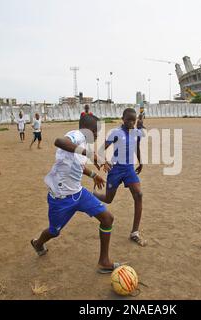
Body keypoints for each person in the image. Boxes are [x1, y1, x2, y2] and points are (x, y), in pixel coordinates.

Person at [30, 114, 121, 273]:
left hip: (78, 194)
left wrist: (94, 175)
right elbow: (59, 141)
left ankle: (104, 261)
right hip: (61, 198)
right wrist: (90, 154)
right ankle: (38, 243)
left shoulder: (82, 142)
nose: (97, 135)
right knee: (54, 231)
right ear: (88, 131)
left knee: (107, 218)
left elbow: (77, 165)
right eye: (96, 132)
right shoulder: (77, 135)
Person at [93, 108, 147, 247]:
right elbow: (100, 150)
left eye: (133, 120)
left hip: (129, 169)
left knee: (139, 194)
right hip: (116, 169)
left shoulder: (135, 133)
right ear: (122, 119)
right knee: (108, 199)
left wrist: (140, 162)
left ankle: (134, 232)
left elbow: (137, 147)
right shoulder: (116, 133)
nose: (131, 123)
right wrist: (105, 161)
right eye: (128, 119)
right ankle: (93, 195)